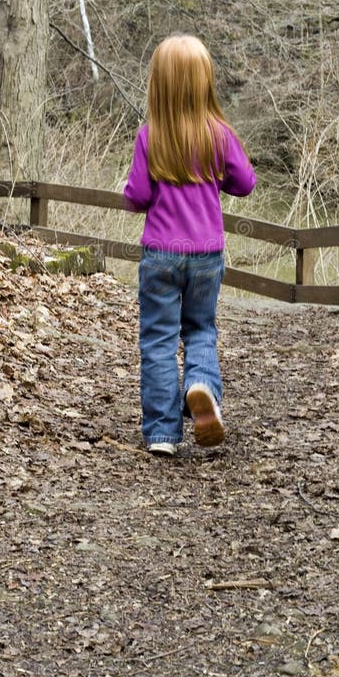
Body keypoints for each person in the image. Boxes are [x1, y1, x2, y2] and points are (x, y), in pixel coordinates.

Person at [123, 34, 257, 456]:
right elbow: (246, 184)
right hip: (206, 255)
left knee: (159, 340)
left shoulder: (150, 136)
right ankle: (201, 386)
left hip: (161, 254)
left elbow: (137, 196)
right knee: (200, 328)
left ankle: (163, 433)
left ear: (158, 85)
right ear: (204, 83)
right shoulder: (219, 135)